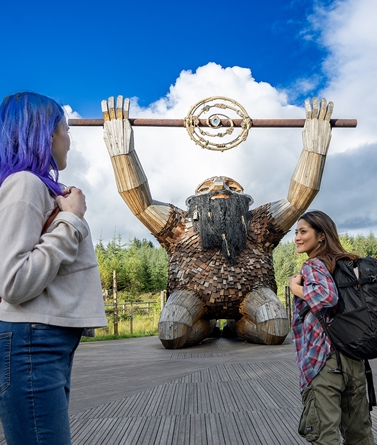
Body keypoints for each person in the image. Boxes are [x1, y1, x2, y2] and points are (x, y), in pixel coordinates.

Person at [101, 95, 336, 349]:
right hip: (190, 294)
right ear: (195, 199)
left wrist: (314, 147)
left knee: (275, 327)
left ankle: (239, 325)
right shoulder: (180, 225)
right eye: (207, 187)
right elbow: (141, 203)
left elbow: (297, 200)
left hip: (253, 292)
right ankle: (206, 325)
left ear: (242, 197)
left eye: (231, 186)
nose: (219, 186)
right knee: (171, 332)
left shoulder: (257, 224)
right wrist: (120, 150)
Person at [0, 92, 107, 445]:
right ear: (46, 133)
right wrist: (71, 222)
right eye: (65, 129)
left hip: (37, 344)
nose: (69, 138)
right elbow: (15, 281)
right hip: (30, 344)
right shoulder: (24, 185)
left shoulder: (31, 187)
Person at [289, 210, 376, 445]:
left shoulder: (314, 265)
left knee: (325, 442)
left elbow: (327, 297)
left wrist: (295, 287)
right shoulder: (348, 264)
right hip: (354, 360)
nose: (297, 237)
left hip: (324, 365)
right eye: (296, 232)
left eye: (303, 231)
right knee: (360, 435)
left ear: (321, 236)